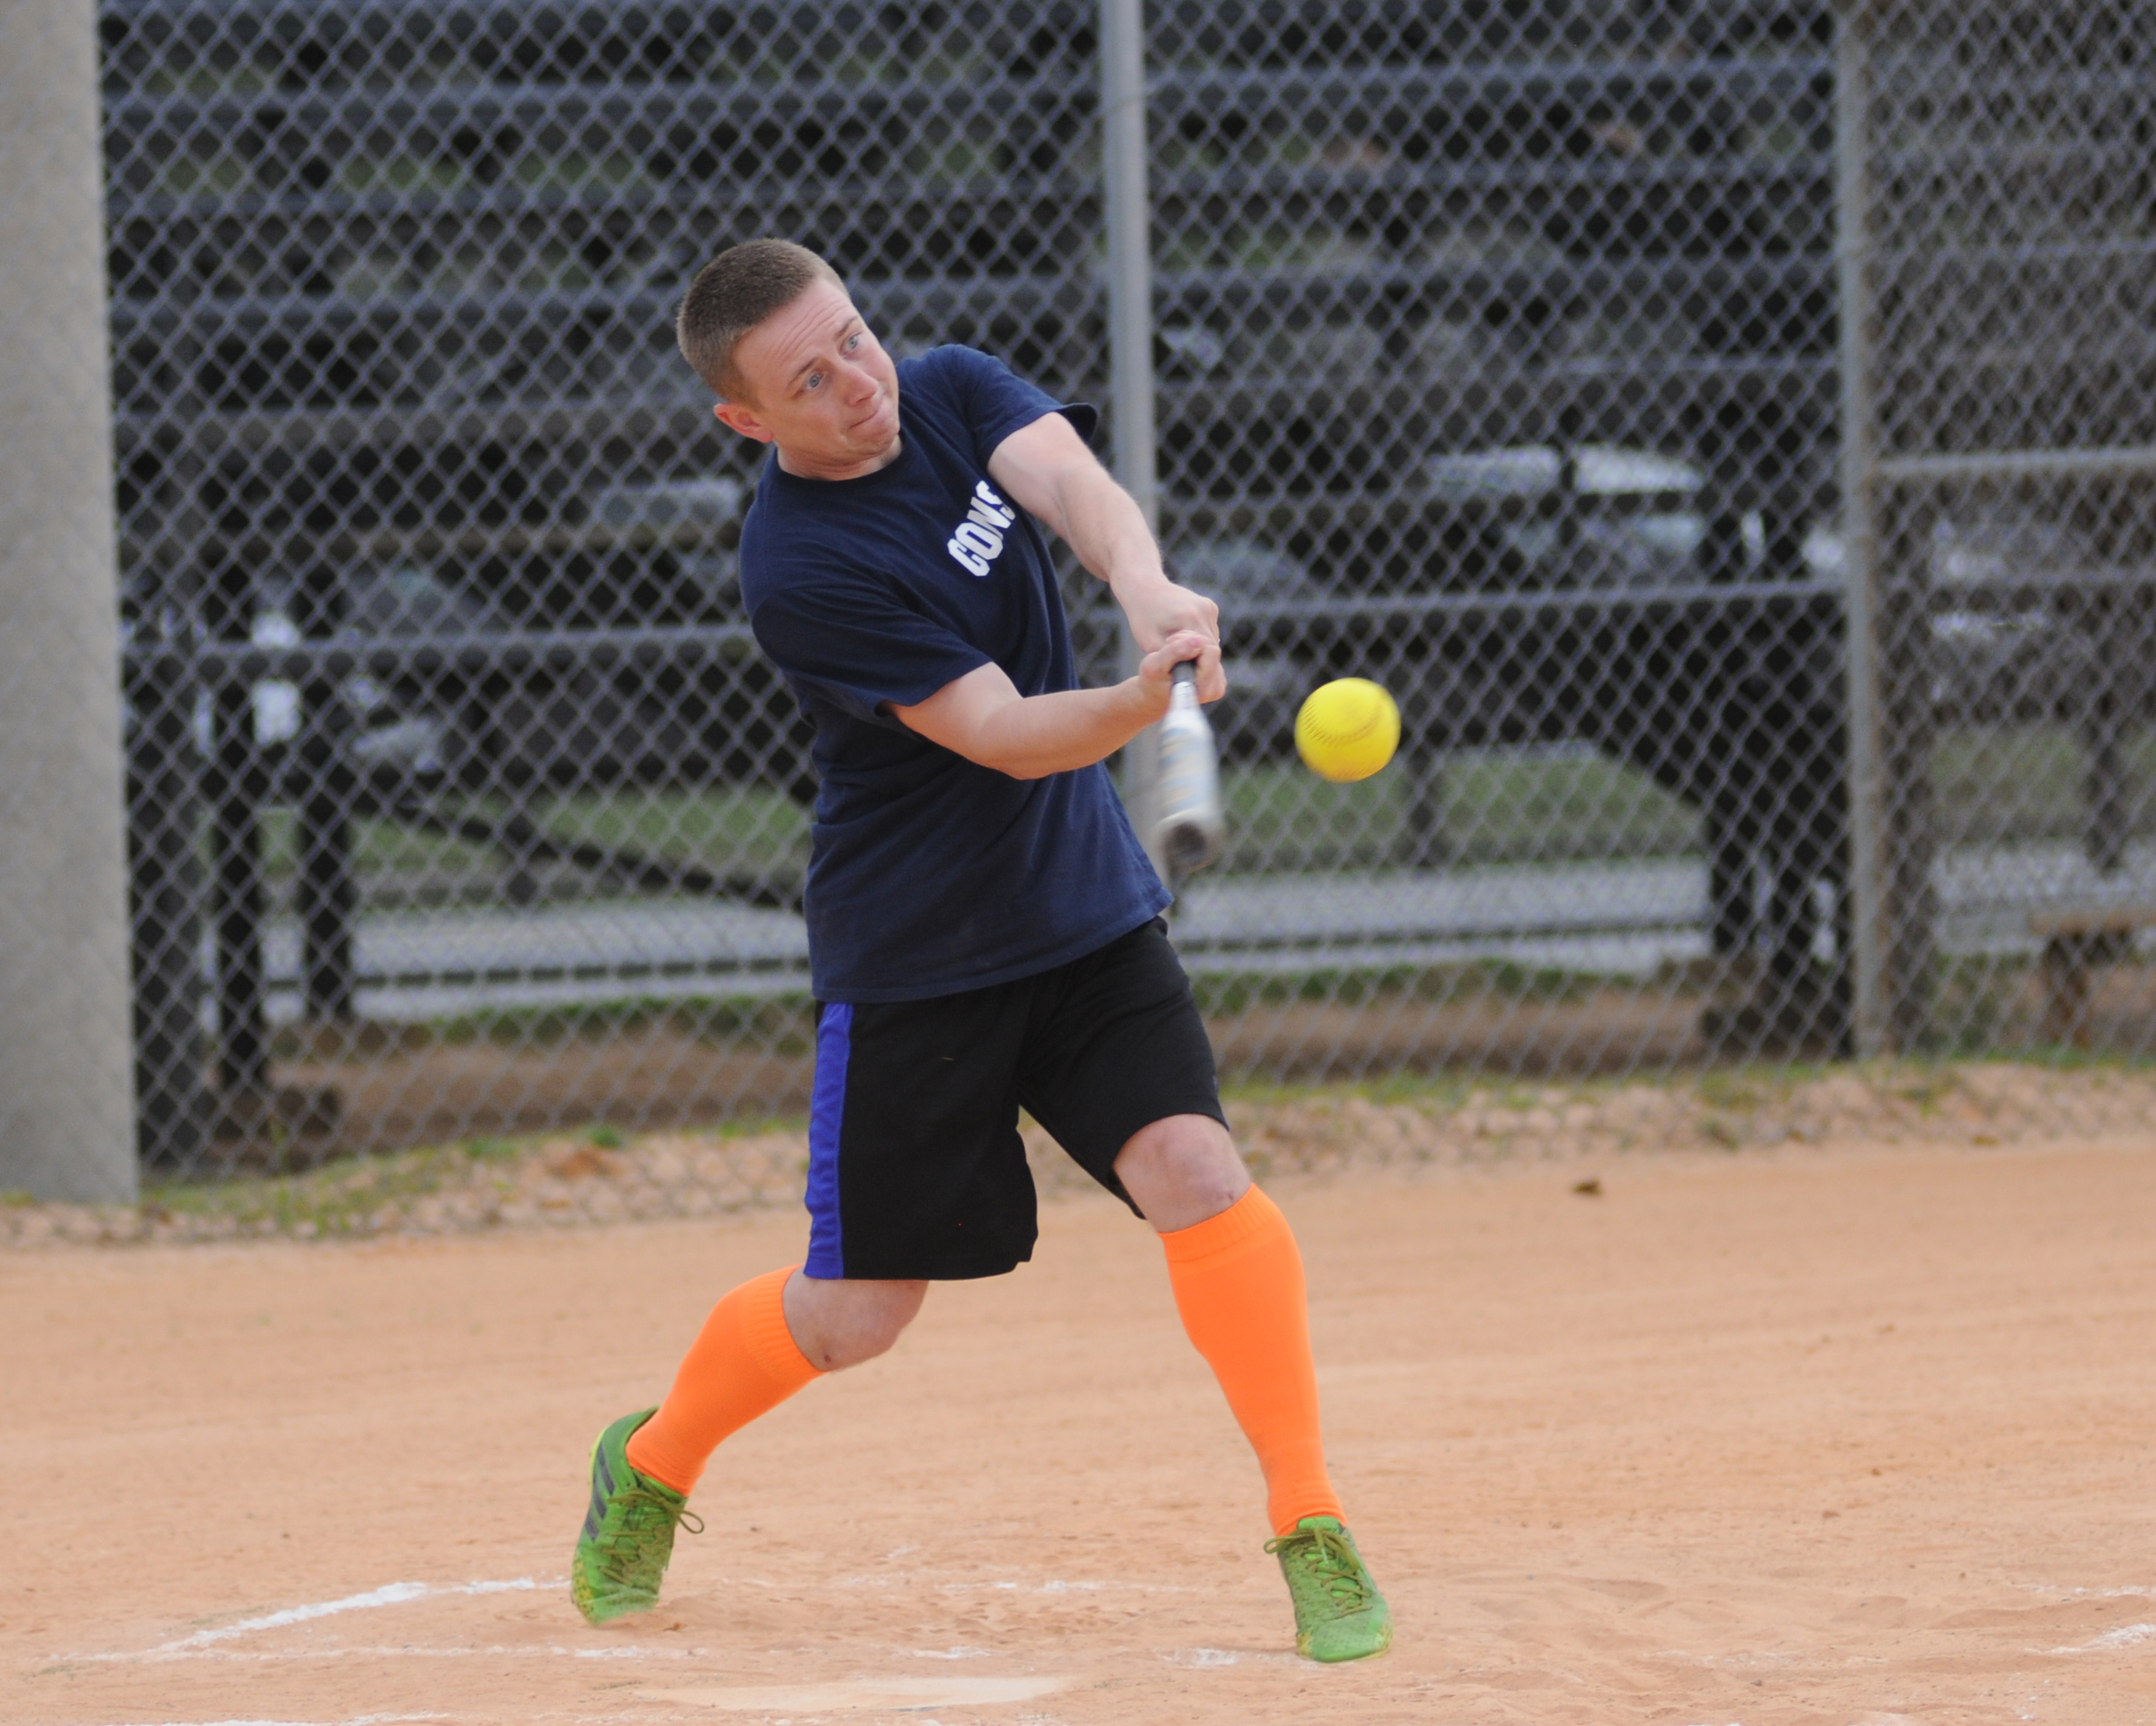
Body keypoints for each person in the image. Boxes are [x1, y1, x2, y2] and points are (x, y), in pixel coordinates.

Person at [570, 238, 1390, 1663]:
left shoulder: (946, 388)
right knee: (855, 1316)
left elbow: (1074, 487)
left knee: (1196, 1169)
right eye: (808, 381)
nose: (857, 387)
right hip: (916, 954)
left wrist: (1144, 583)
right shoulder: (800, 568)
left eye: (856, 340)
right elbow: (1006, 734)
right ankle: (651, 1458)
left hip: (1076, 908)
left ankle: (1310, 1519)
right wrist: (1144, 701)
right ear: (746, 420)